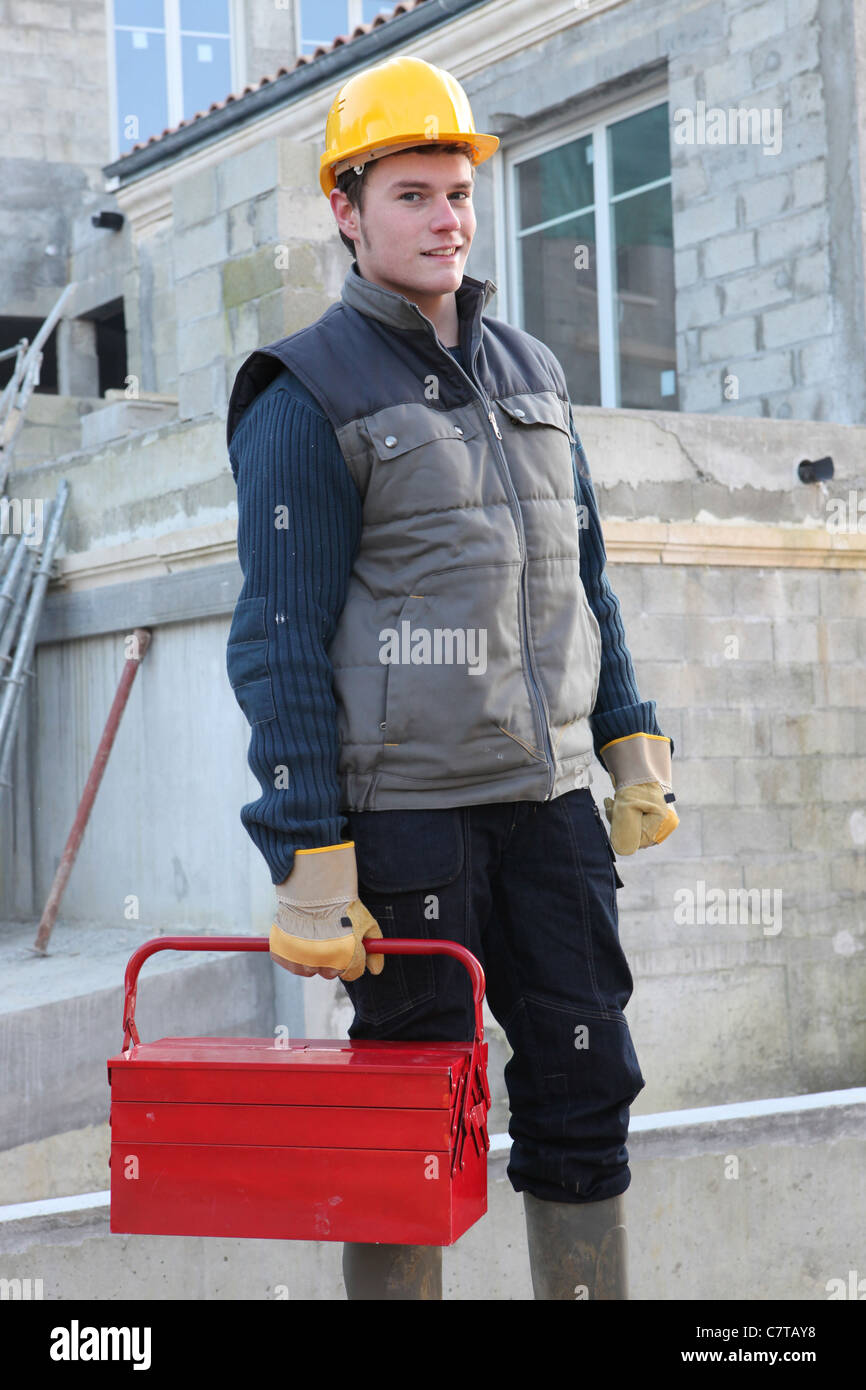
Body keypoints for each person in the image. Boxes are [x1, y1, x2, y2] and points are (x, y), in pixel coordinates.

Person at [225, 54, 678, 1301]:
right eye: (412, 193)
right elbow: (276, 635)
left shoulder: (529, 368)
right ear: (346, 209)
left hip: (548, 812)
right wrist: (307, 852)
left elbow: (582, 572)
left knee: (587, 1085)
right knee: (409, 1108)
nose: (444, 218)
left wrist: (627, 739)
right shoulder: (304, 390)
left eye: (457, 193)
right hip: (410, 825)